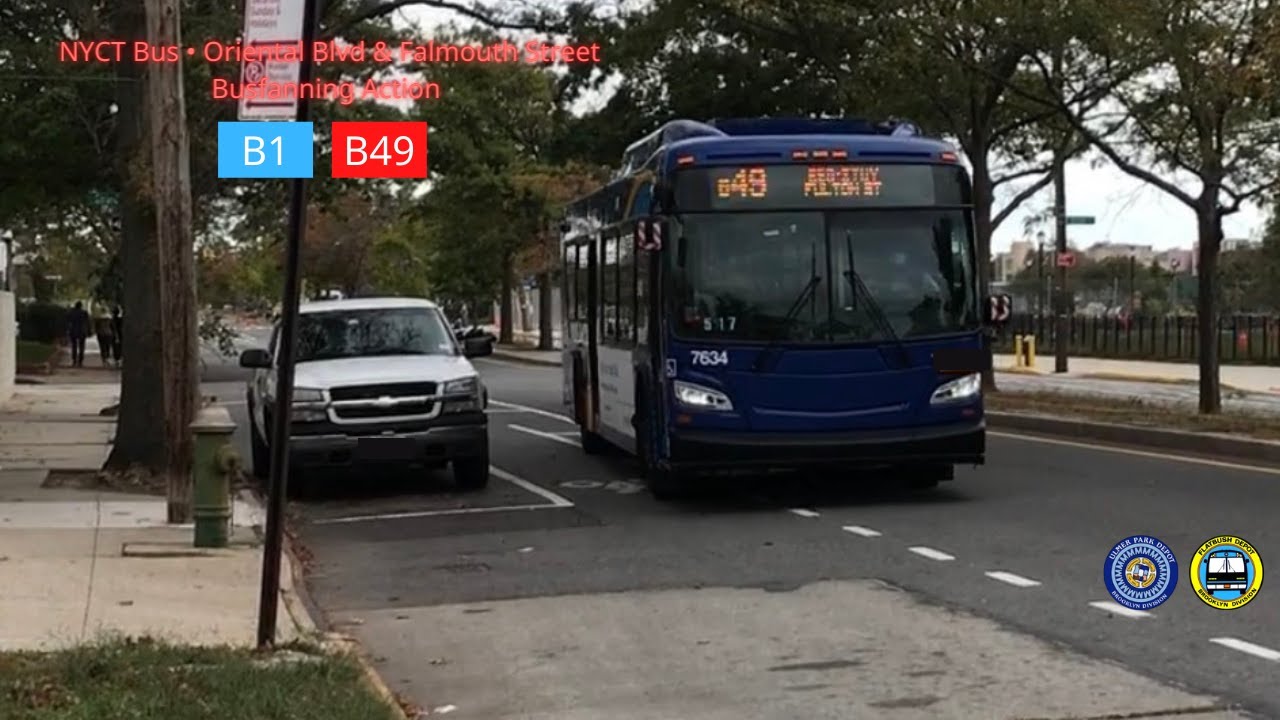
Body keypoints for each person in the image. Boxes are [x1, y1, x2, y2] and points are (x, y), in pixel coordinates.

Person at [67, 301, 90, 368]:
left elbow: (68, 321)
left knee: (74, 346)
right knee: (82, 346)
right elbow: (87, 322)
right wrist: (88, 331)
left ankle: (74, 360)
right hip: (82, 331)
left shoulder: (71, 313)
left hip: (73, 331)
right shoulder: (84, 313)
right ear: (81, 306)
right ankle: (80, 361)